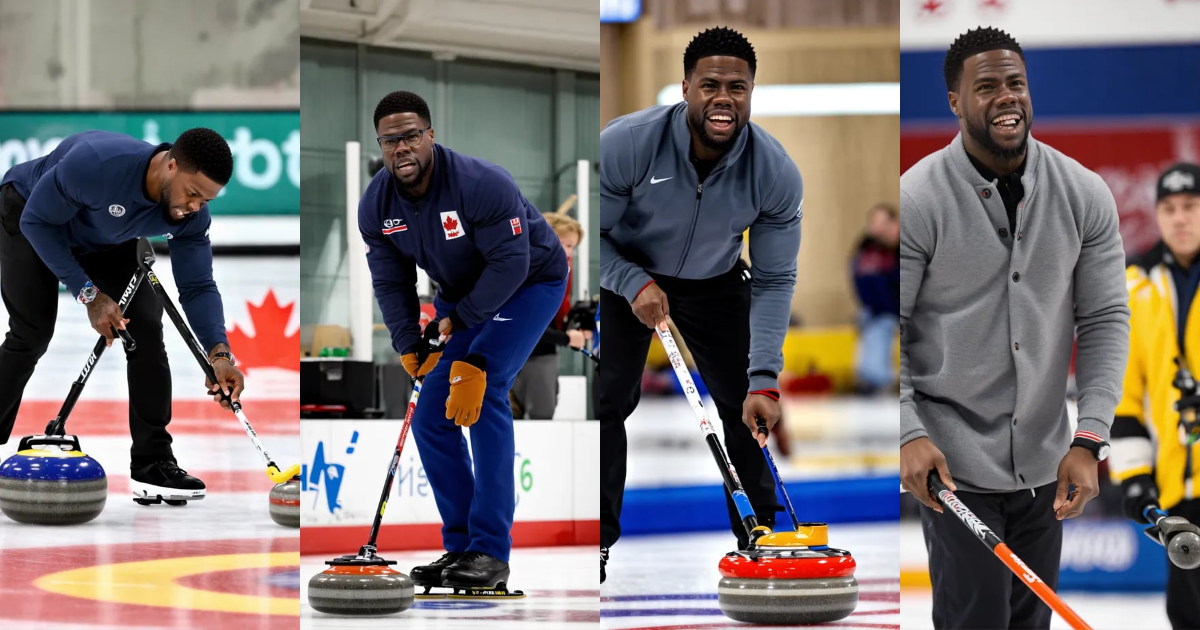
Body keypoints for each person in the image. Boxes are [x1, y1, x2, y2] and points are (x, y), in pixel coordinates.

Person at [899, 27, 1130, 629]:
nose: (1007, 98)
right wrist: (908, 431)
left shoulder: (1084, 194)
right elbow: (892, 323)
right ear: (955, 100)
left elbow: (1105, 318)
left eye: (1016, 84)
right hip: (954, 469)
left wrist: (1090, 437)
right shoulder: (918, 200)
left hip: (1046, 467)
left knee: (1031, 624)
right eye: (987, 87)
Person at [598, 26, 803, 583]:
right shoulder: (627, 143)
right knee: (608, 399)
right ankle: (599, 539)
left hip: (717, 283)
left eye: (737, 87)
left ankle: (758, 534)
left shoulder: (775, 172)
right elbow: (589, 237)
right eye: (709, 83)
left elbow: (775, 278)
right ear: (685, 86)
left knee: (745, 406)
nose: (723, 98)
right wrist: (632, 281)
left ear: (752, 92)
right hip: (628, 276)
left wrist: (764, 377)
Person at [358, 91, 568, 592]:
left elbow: (511, 265)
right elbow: (390, 282)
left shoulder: (481, 183)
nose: (401, 148)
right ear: (381, 145)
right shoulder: (377, 203)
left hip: (531, 281)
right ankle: (461, 548)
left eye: (411, 136)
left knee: (480, 382)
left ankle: (491, 552)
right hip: (460, 294)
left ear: (430, 135)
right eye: (390, 140)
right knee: (432, 416)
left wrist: (460, 321)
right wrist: (410, 341)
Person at [0, 128, 246, 504]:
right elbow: (37, 222)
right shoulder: (98, 166)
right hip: (30, 214)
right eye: (192, 193)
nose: (195, 207)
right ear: (171, 165)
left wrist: (219, 353)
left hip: (102, 237)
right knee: (31, 333)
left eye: (206, 200)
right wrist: (89, 295)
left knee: (146, 326)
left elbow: (197, 286)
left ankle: (153, 462)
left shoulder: (191, 214)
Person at [1111, 162, 1200, 629]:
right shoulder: (1135, 283)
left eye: (1191, 206)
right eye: (1169, 208)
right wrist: (1135, 477)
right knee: (1186, 613)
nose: (1180, 218)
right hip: (1177, 496)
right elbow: (1124, 398)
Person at [510, 211, 591, 420]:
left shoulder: (561, 273)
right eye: (564, 244)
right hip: (522, 354)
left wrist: (573, 330)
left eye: (571, 246)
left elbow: (549, 319)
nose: (568, 252)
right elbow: (522, 323)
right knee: (520, 415)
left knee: (542, 416)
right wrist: (566, 338)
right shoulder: (526, 272)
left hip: (540, 353)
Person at [851, 202, 899, 394]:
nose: (878, 229)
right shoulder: (866, 251)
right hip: (878, 311)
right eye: (874, 223)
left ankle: (876, 379)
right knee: (872, 322)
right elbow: (860, 280)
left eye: (883, 223)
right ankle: (873, 379)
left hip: (903, 308)